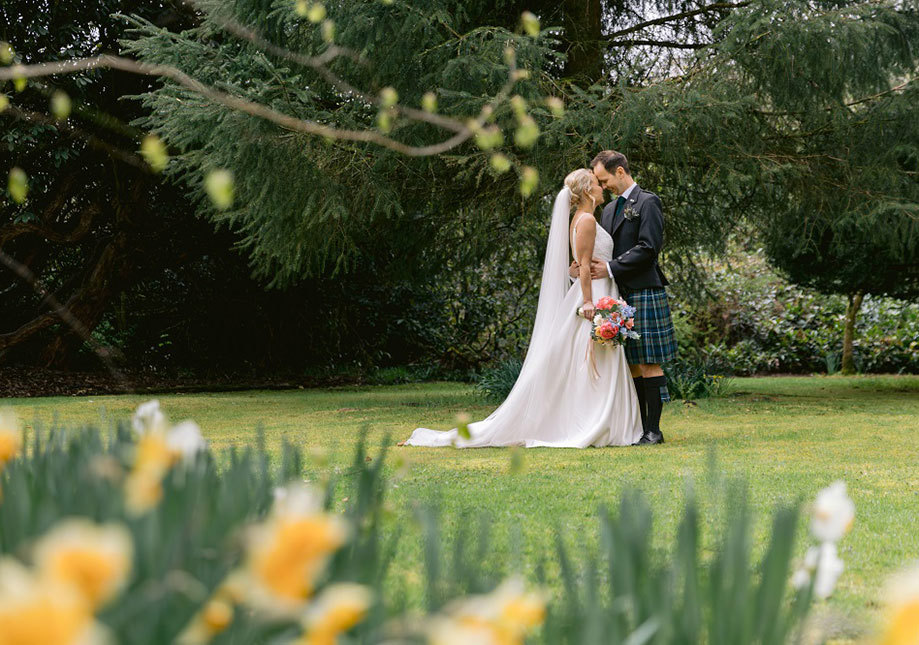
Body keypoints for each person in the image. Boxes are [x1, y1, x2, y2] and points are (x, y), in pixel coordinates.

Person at [401, 169, 642, 448]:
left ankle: (602, 419)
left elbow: (579, 264)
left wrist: (579, 277)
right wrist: (588, 301)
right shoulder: (586, 219)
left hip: (599, 293)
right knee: (592, 359)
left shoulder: (581, 218)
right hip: (592, 297)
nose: (603, 188)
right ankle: (597, 420)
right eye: (597, 185)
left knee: (591, 359)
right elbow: (585, 266)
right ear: (588, 191)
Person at [570, 150, 676, 445]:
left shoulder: (647, 202)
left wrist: (609, 268)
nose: (603, 187)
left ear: (620, 172)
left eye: (604, 180)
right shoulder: (607, 210)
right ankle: (639, 428)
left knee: (649, 361)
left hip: (644, 289)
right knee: (630, 363)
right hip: (619, 294)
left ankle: (654, 431)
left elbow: (648, 248)